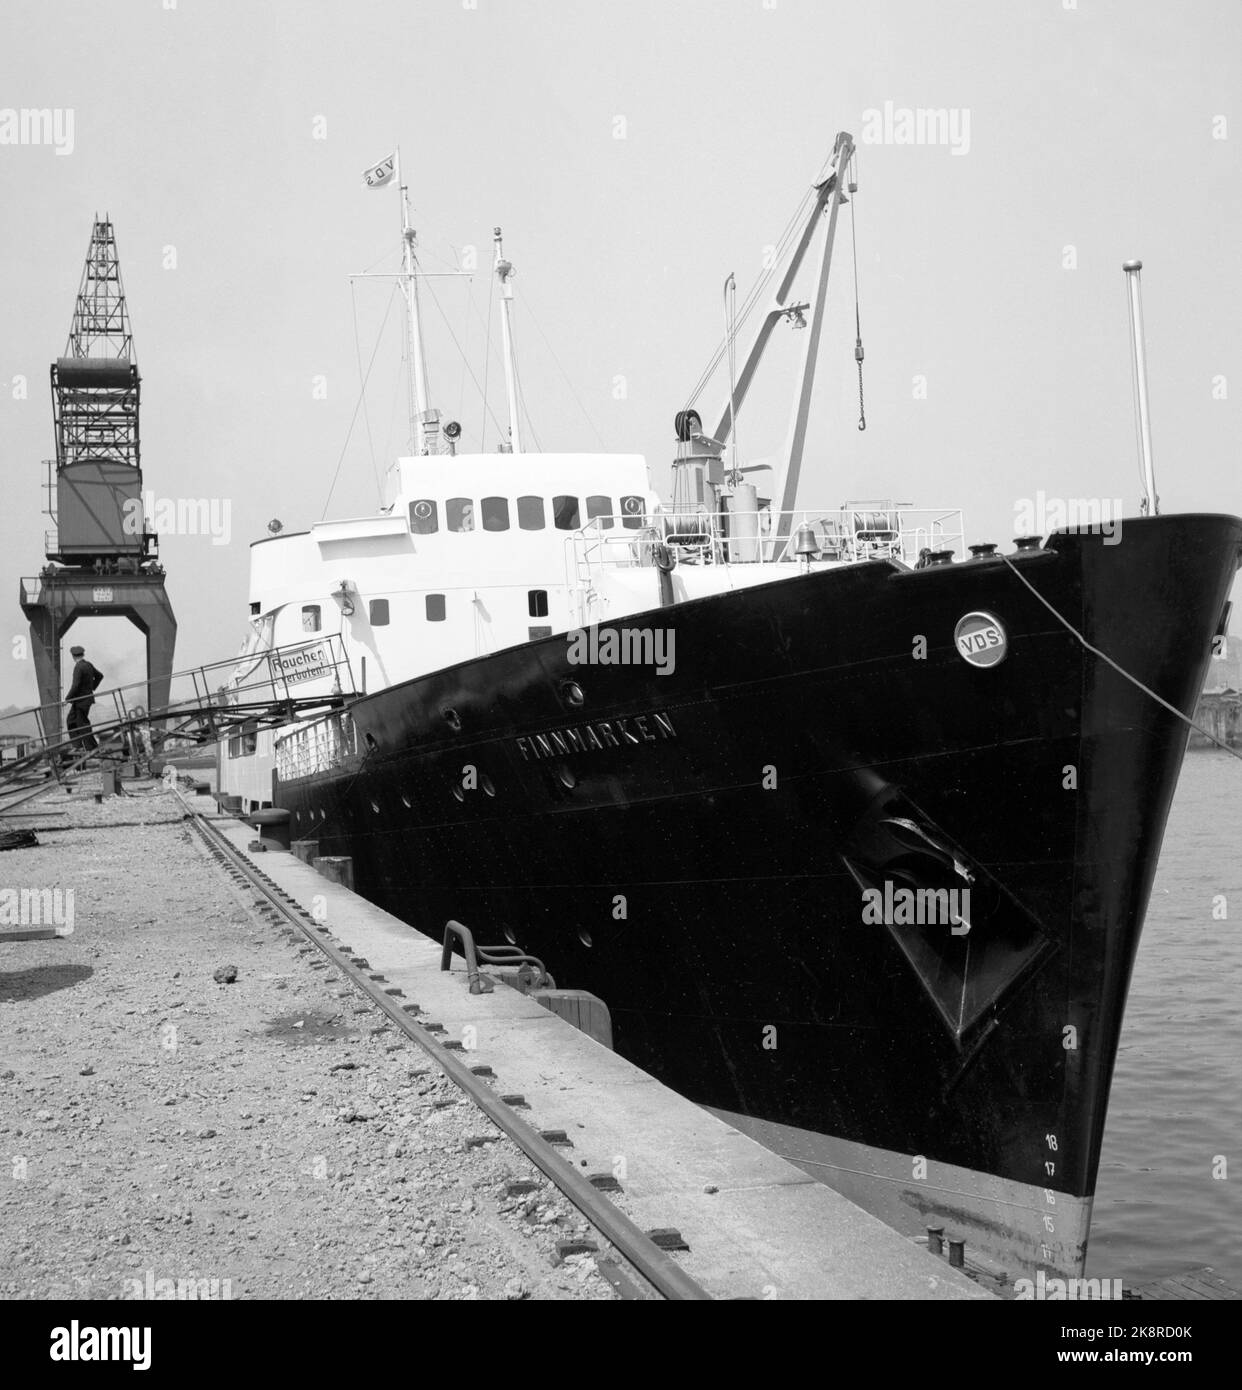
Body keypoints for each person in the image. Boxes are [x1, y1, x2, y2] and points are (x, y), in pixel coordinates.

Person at [65, 644, 104, 756]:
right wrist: (93, 687)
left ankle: (90, 747)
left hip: (81, 701)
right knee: (72, 721)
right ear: (82, 654)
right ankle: (78, 746)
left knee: (82, 723)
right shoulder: (88, 665)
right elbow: (100, 676)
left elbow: (76, 685)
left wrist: (67, 699)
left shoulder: (78, 667)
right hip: (85, 700)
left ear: (73, 656)